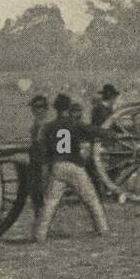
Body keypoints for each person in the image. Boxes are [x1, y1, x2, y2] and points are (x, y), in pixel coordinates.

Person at [33, 94, 111, 242]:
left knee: (50, 203)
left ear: (56, 109)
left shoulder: (49, 127)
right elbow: (95, 131)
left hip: (57, 167)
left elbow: (42, 146)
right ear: (68, 108)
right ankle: (103, 229)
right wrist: (110, 134)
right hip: (75, 166)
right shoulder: (76, 124)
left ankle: (39, 235)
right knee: (91, 199)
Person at [23, 95, 51, 239]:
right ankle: (38, 229)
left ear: (44, 109)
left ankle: (41, 231)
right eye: (34, 108)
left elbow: (42, 144)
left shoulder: (45, 123)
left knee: (42, 194)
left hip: (43, 163)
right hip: (35, 161)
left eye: (38, 108)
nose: (35, 111)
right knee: (36, 196)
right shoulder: (37, 122)